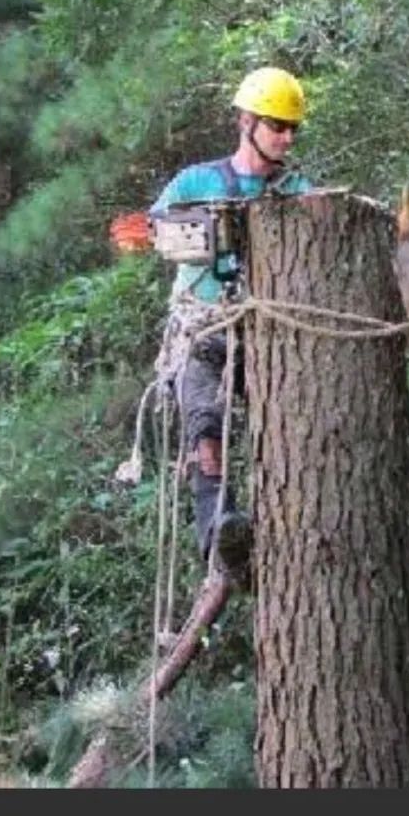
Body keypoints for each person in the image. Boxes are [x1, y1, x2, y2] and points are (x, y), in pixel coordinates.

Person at [149, 67, 312, 571]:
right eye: (276, 125)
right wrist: (198, 234)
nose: (286, 137)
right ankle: (219, 535)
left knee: (295, 427)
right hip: (205, 329)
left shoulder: (298, 190)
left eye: (292, 129)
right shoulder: (197, 182)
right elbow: (158, 230)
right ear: (246, 122)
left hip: (268, 335)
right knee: (205, 425)